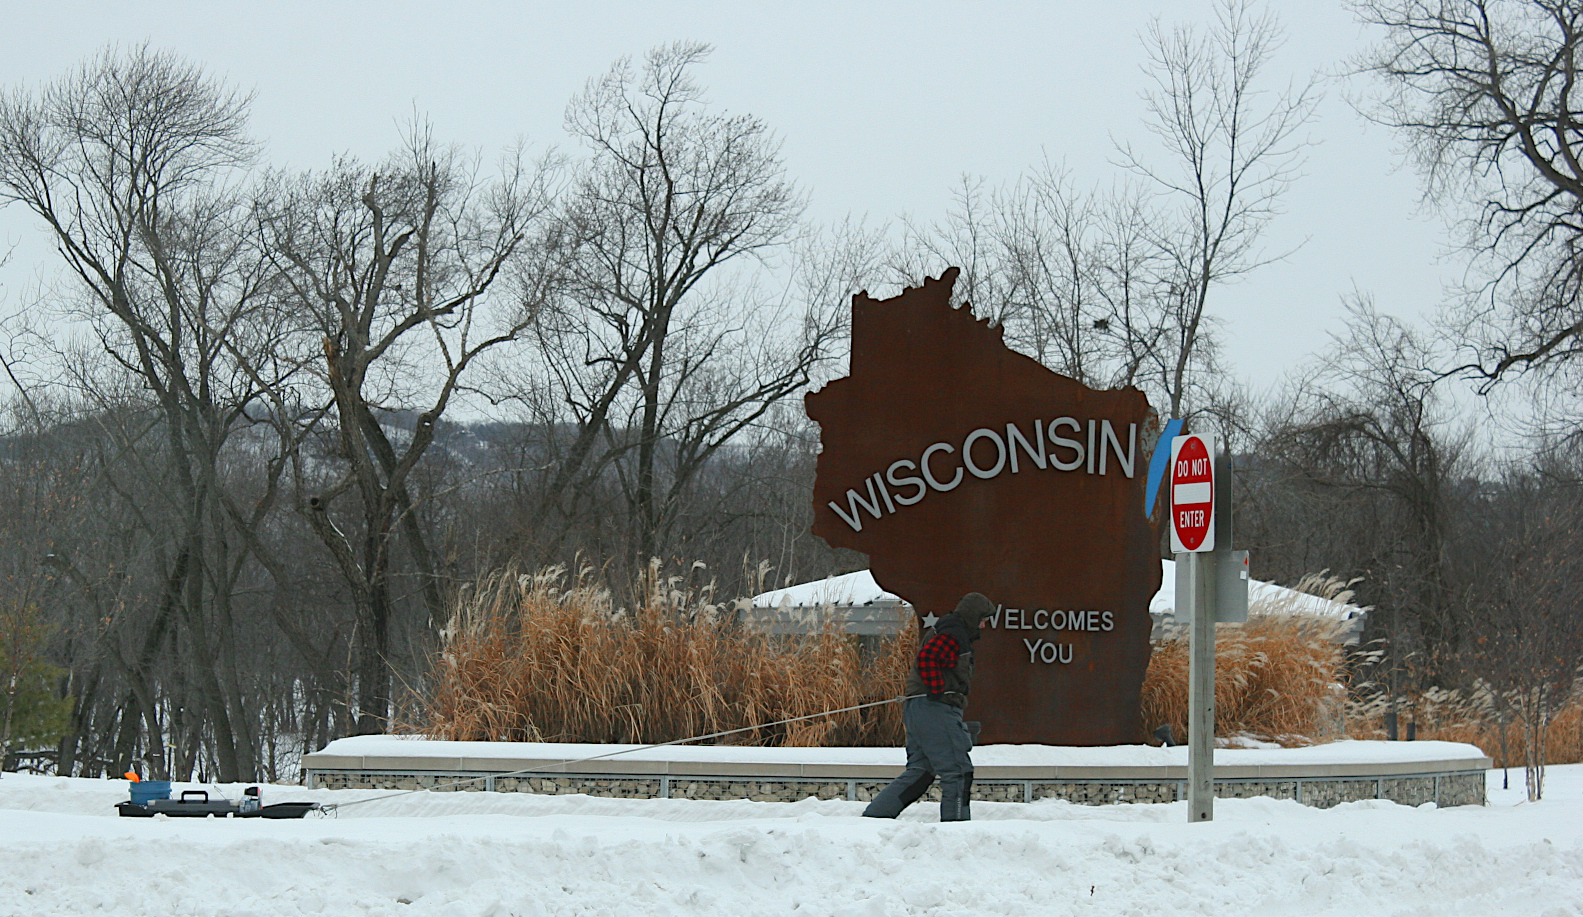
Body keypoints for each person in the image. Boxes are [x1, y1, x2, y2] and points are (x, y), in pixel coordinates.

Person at [862, 592, 993, 822]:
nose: (984, 625)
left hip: (918, 709)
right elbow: (928, 658)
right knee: (958, 770)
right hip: (935, 708)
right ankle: (957, 829)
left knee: (921, 772)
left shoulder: (947, 629)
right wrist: (937, 690)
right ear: (973, 616)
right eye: (983, 619)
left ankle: (875, 818)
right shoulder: (955, 634)